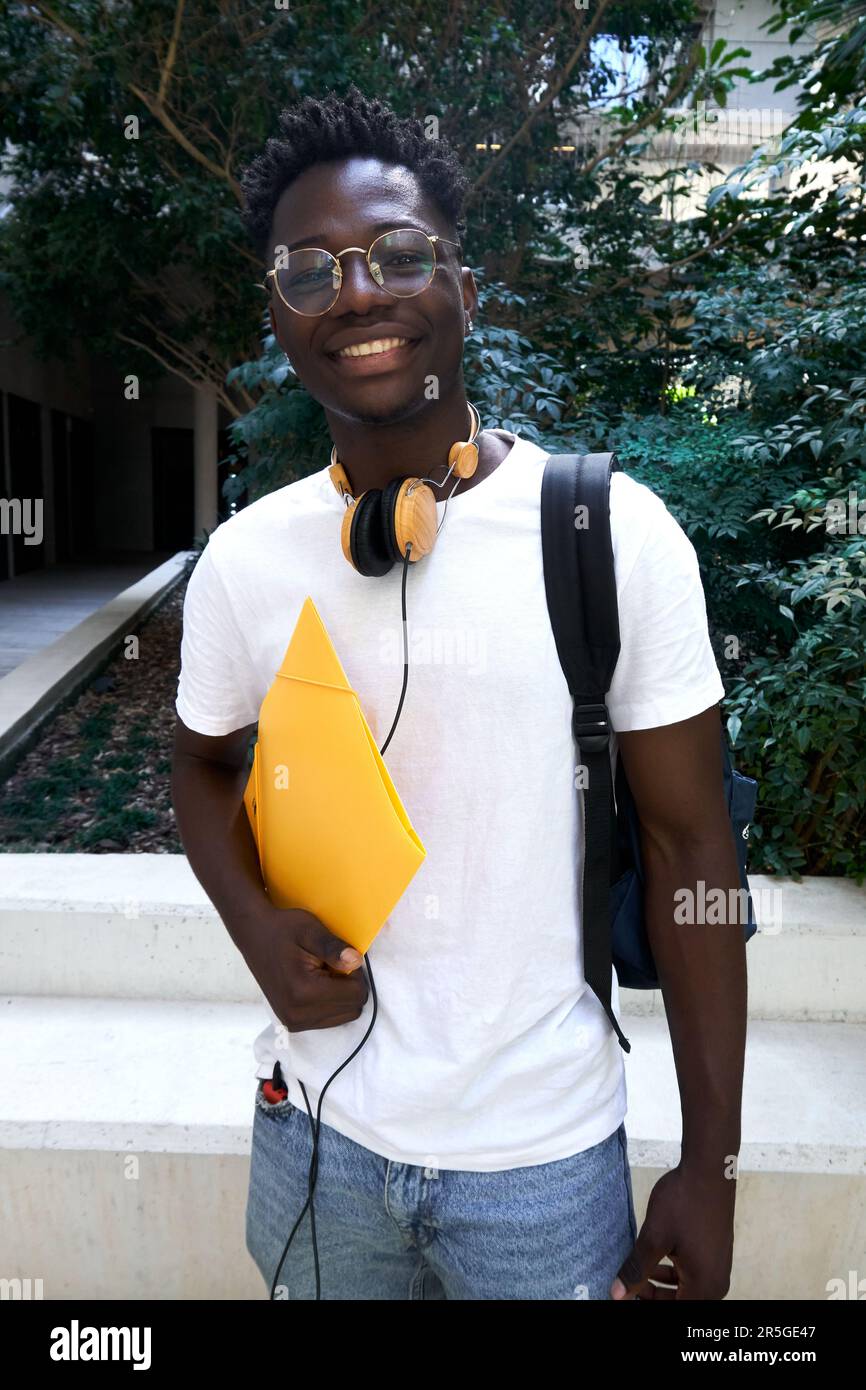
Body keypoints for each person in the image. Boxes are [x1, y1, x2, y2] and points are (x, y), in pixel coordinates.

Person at [171, 86, 746, 1301]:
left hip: (538, 1168)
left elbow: (693, 850)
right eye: (311, 273)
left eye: (394, 253)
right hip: (316, 1138)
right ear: (280, 317)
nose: (360, 292)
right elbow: (200, 763)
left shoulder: (610, 535)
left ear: (465, 285)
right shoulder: (247, 560)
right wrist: (254, 925)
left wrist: (710, 1162)